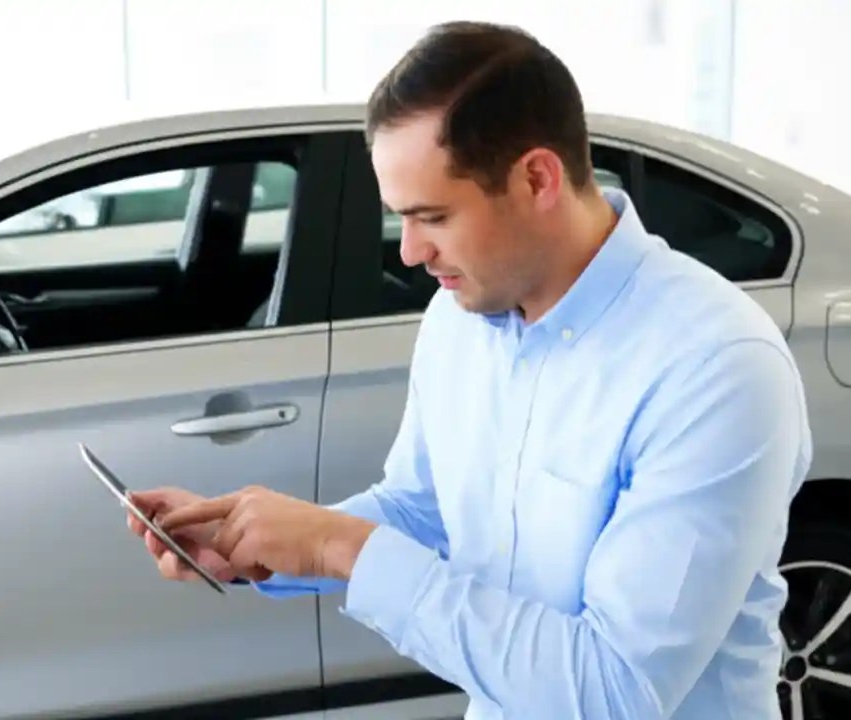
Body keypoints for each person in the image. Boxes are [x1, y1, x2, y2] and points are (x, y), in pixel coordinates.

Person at [127, 20, 811, 720]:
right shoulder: (457, 319)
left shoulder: (717, 369)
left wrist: (340, 548)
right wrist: (262, 543)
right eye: (402, 218)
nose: (410, 252)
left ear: (537, 178)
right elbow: (424, 510)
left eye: (434, 217)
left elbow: (616, 691)